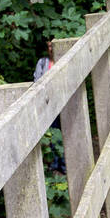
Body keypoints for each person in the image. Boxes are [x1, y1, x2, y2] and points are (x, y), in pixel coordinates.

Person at [34, 37, 66, 175]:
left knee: (63, 133)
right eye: (49, 46)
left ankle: (64, 165)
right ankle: (54, 164)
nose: (51, 48)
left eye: (53, 45)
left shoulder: (63, 61)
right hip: (48, 105)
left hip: (62, 103)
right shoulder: (42, 63)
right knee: (52, 134)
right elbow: (36, 81)